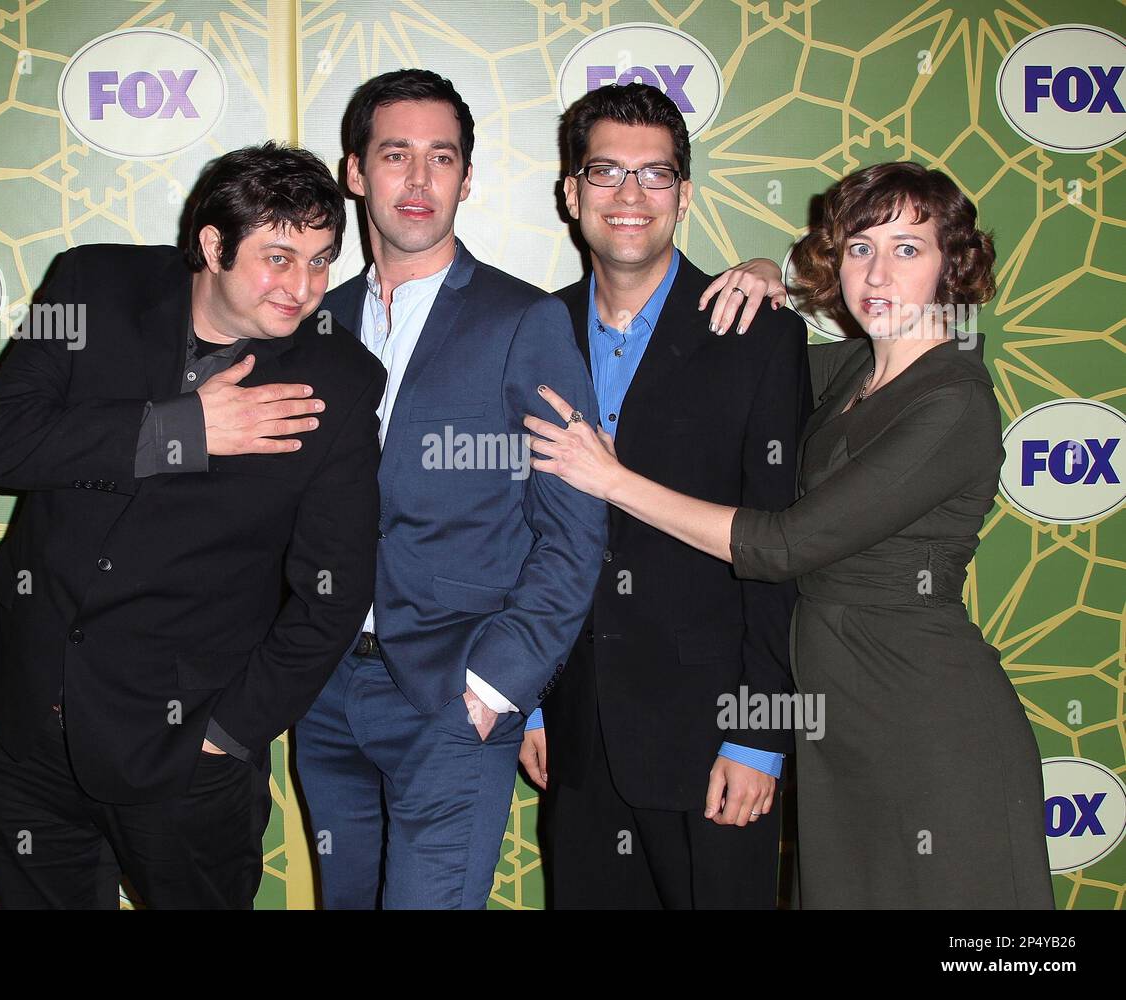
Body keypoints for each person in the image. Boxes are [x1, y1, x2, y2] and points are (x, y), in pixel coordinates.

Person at [526, 160, 1054, 909]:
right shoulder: (856, 369)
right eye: (860, 247)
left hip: (927, 720)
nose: (877, 272)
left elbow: (782, 547)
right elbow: (732, 363)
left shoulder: (953, 401)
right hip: (836, 718)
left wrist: (611, 479)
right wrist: (763, 273)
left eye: (909, 249)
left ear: (953, 265)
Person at [0, 142, 386, 909]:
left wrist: (228, 736)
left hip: (183, 757)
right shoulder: (88, 284)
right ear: (213, 244)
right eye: (279, 258)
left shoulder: (340, 381)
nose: (304, 287)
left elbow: (334, 593)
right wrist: (180, 430)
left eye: (321, 261)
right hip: (28, 723)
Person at [293, 69, 607, 909]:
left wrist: (499, 685)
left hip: (449, 699)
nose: (420, 179)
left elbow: (574, 528)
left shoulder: (523, 321)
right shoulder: (315, 324)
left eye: (442, 158)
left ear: (467, 180)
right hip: (322, 694)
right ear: (356, 173)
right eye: (396, 155)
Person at [517, 83, 810, 909]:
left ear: (684, 193)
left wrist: (758, 737)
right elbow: (515, 532)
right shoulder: (533, 331)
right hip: (574, 731)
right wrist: (531, 699)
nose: (630, 196)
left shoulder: (758, 334)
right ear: (571, 195)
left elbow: (782, 551)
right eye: (605, 172)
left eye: (655, 174)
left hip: (712, 739)